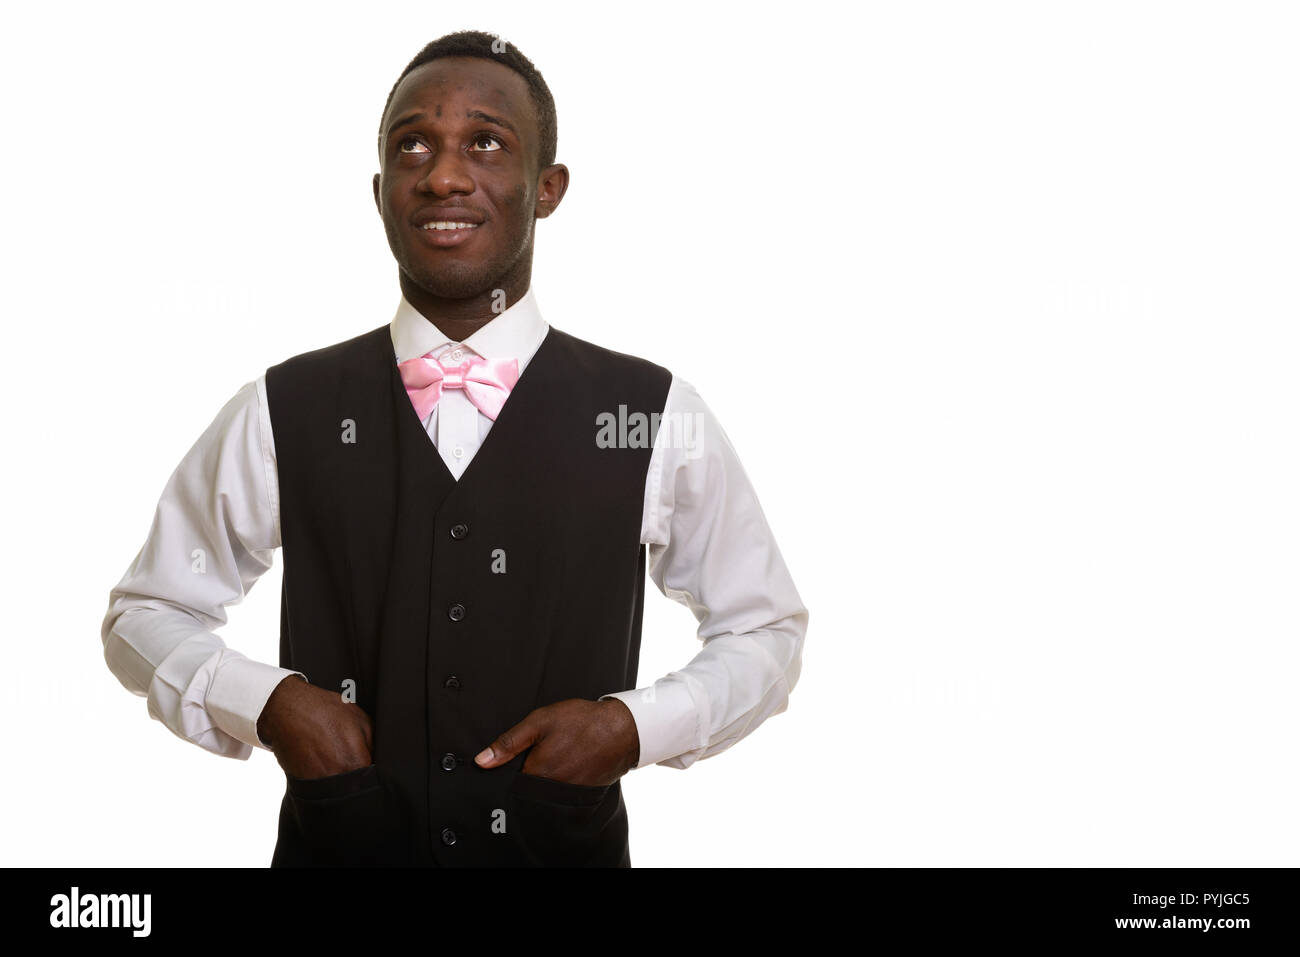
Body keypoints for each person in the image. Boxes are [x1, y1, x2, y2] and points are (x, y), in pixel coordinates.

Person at [101, 29, 808, 867]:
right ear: (380, 190)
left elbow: (766, 628)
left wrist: (630, 726)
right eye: (413, 145)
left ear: (547, 189)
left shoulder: (654, 411)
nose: (443, 174)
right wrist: (271, 702)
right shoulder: (280, 406)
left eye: (485, 142)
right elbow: (144, 613)